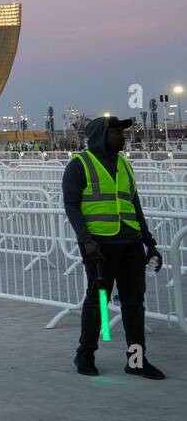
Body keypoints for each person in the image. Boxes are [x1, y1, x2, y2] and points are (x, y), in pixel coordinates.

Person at [65, 117, 165, 379]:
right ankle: (85, 353)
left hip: (130, 243)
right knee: (98, 301)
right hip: (99, 246)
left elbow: (134, 204)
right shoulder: (80, 165)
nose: (123, 137)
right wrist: (86, 239)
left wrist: (149, 242)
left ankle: (136, 361)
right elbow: (71, 205)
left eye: (123, 132)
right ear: (100, 135)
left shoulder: (124, 164)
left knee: (134, 303)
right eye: (116, 132)